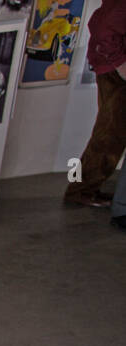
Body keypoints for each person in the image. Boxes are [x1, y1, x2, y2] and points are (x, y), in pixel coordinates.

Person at [64, 0, 126, 209]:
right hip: (116, 73)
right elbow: (101, 26)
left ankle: (82, 188)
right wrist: (120, 63)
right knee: (110, 134)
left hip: (114, 69)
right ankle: (80, 190)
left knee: (109, 133)